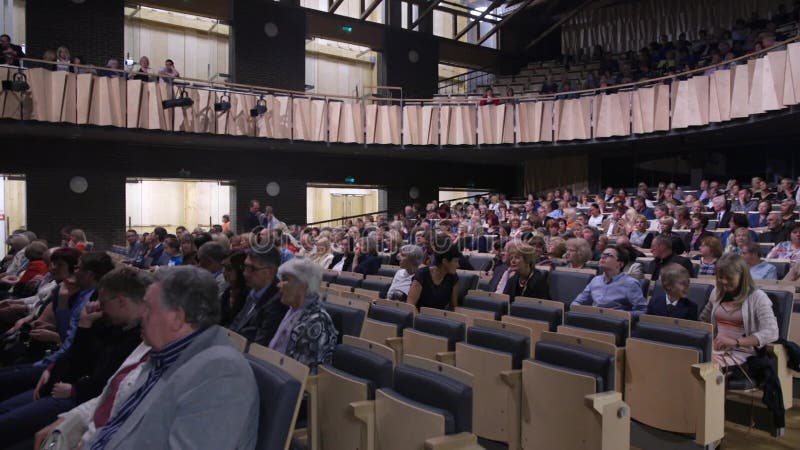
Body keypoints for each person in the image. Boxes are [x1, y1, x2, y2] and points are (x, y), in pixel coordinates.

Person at [67, 266, 258, 449]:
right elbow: (120, 425)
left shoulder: (221, 375)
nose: (141, 314)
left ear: (176, 318)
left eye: (148, 307)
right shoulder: (166, 354)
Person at [0, 267, 152, 448]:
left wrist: (74, 389)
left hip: (79, 399)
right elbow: (81, 358)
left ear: (120, 301)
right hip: (70, 388)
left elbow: (106, 383)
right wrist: (85, 324)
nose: (100, 307)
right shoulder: (114, 324)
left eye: (103, 303)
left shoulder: (143, 336)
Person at [699, 254, 779, 367]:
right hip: (716, 350)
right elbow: (703, 320)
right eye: (721, 277)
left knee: (703, 364)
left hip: (744, 353)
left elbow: (771, 332)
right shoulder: (717, 292)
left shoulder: (758, 297)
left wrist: (736, 342)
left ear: (742, 276)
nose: (724, 281)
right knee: (690, 358)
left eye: (729, 278)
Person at [269, 258, 337, 373]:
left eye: (285, 280)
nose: (279, 285)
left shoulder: (317, 321)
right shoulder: (293, 311)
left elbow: (300, 374)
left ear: (303, 286)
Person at [570, 245, 647, 312]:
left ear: (620, 264)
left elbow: (641, 310)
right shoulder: (595, 280)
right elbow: (577, 302)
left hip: (614, 323)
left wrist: (622, 315)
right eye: (603, 254)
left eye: (609, 255)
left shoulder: (630, 284)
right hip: (593, 318)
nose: (603, 257)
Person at [407, 244, 461, 310]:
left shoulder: (453, 277)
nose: (458, 265)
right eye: (456, 261)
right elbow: (410, 305)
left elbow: (453, 307)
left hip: (440, 318)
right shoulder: (422, 274)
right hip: (419, 316)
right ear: (445, 261)